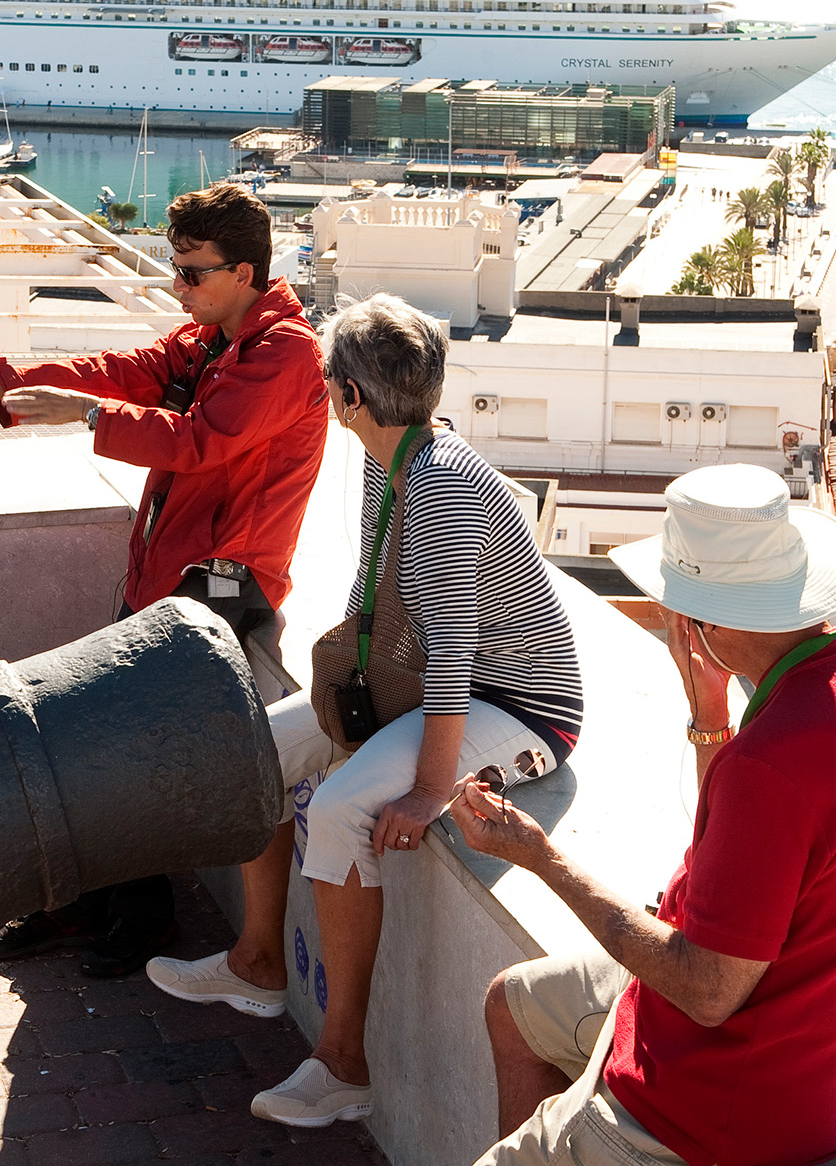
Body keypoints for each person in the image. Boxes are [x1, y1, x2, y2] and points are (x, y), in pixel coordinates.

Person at [145, 293, 585, 1129]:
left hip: (521, 707)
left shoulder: (448, 490)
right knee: (255, 760)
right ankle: (259, 962)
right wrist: (343, 697)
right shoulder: (391, 459)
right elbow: (370, 596)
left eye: (327, 382)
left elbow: (456, 658)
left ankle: (344, 1063)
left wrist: (425, 792)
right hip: (418, 684)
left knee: (347, 806)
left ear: (349, 397)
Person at [450, 463, 836, 1166]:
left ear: (701, 619)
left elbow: (707, 991)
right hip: (821, 1078)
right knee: (514, 1005)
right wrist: (710, 712)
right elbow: (738, 867)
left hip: (717, 1109)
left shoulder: (771, 761)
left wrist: (541, 857)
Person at [0, 182, 327, 978]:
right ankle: (104, 905)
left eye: (191, 273)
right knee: (114, 735)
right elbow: (121, 370)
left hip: (226, 585)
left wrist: (84, 416)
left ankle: (129, 913)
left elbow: (201, 442)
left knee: (133, 739)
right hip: (167, 574)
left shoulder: (284, 350)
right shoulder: (211, 336)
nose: (176, 284)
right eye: (174, 266)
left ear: (247, 270)